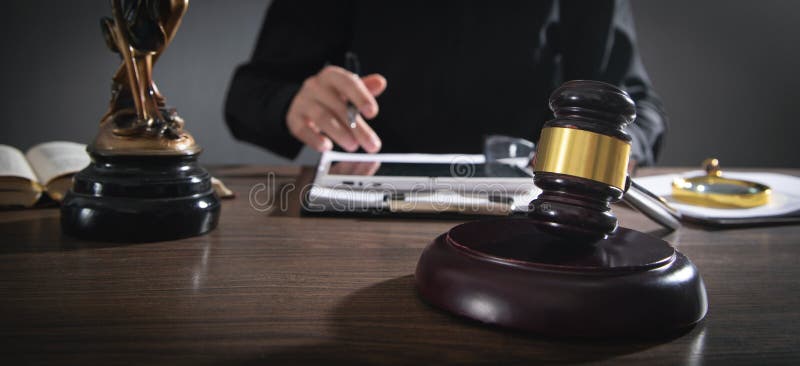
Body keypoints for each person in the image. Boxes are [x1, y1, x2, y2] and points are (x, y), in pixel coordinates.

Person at [225, 0, 666, 167]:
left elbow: (638, 106)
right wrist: (293, 103)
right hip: (366, 213)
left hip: (531, 218)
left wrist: (618, 148)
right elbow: (247, 94)